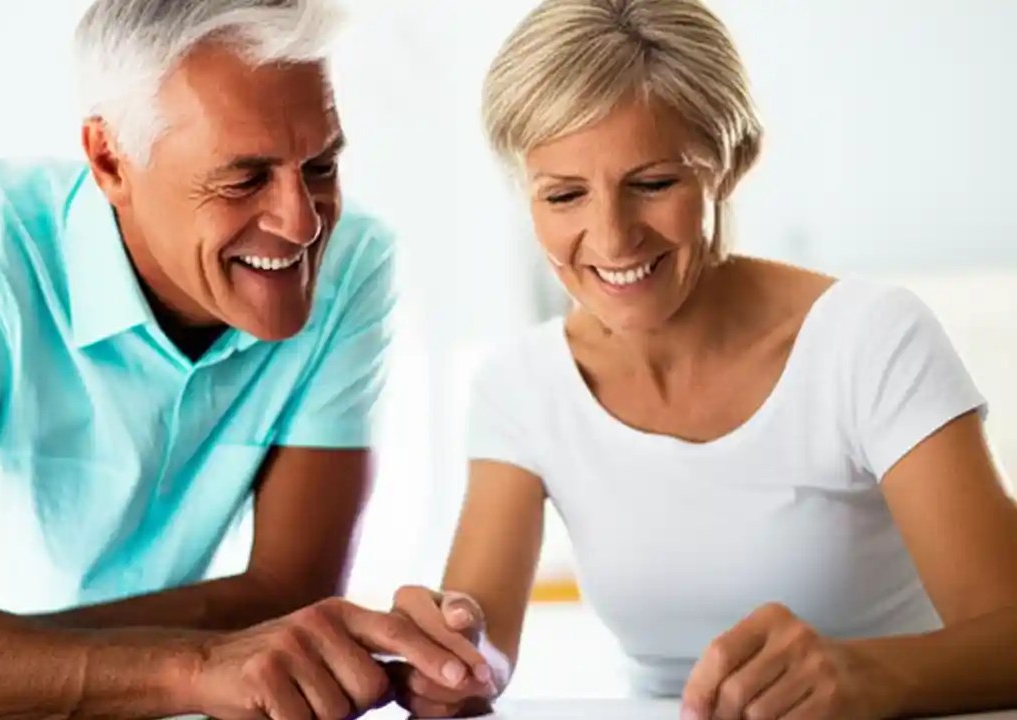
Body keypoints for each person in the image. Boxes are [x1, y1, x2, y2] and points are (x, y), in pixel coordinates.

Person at [0, 1, 492, 718]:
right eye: (244, 179)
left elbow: (289, 595)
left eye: (322, 166)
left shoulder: (355, 263)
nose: (302, 222)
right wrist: (190, 667)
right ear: (110, 160)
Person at [390, 0, 1017, 719]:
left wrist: (867, 674)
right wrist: (448, 662)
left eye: (654, 184)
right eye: (564, 196)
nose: (613, 238)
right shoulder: (520, 388)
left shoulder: (869, 339)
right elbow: (481, 652)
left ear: (732, 163)